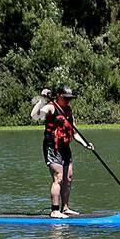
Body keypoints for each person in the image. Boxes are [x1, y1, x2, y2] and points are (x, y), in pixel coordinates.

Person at [30, 85, 93, 218]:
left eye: (69, 99)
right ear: (58, 96)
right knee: (58, 177)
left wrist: (85, 144)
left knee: (68, 178)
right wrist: (42, 100)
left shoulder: (68, 110)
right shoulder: (51, 107)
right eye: (65, 98)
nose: (68, 101)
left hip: (65, 147)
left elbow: (74, 132)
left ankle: (65, 208)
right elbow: (34, 116)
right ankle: (54, 210)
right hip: (52, 147)